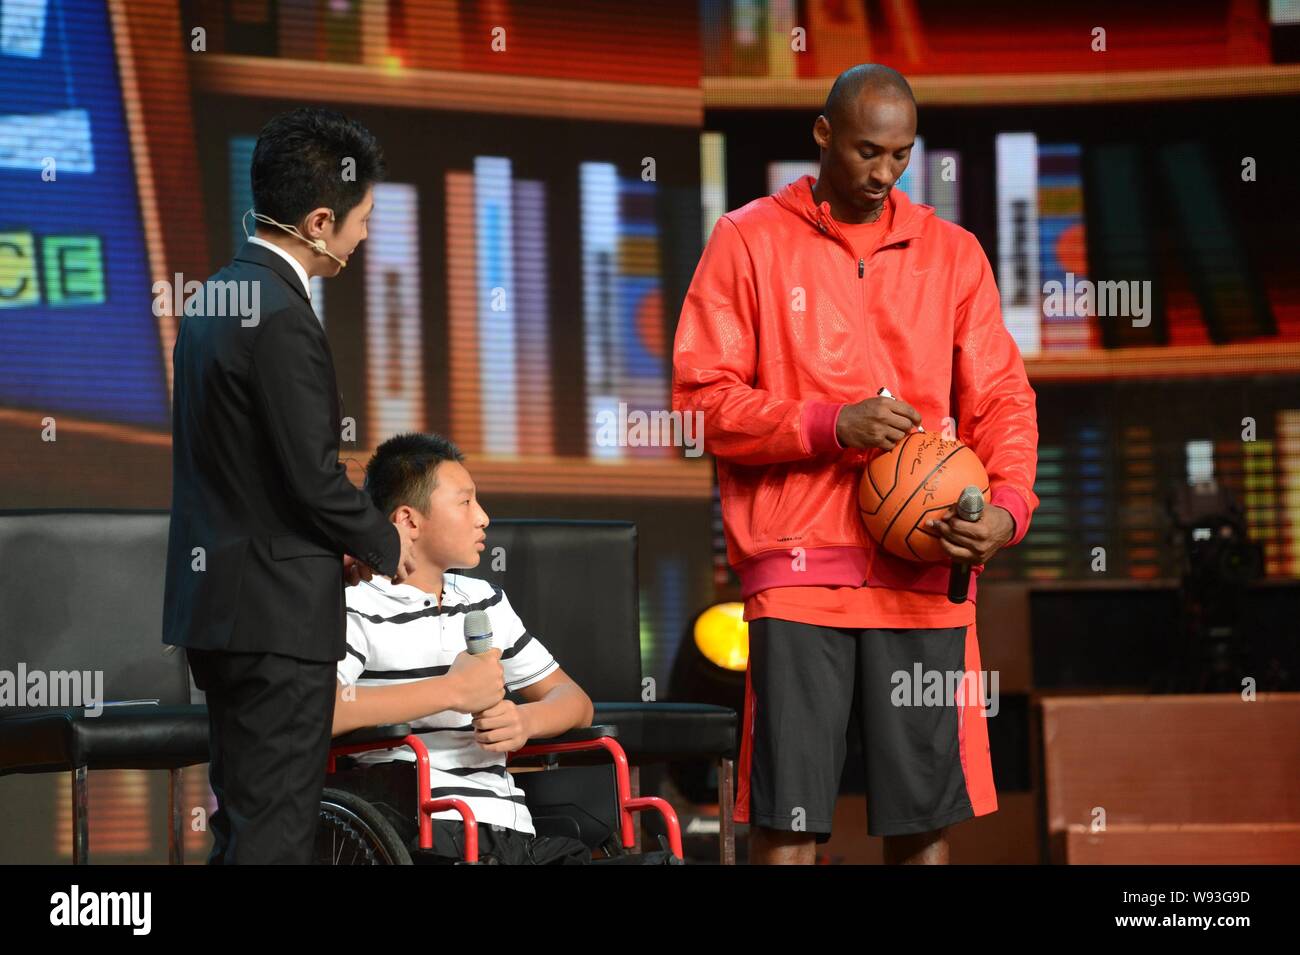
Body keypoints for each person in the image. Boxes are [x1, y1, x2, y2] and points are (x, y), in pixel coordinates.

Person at [672, 64, 1040, 864]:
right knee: (790, 826)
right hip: (800, 578)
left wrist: (1008, 509)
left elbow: (1004, 399)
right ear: (823, 133)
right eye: (868, 151)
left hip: (927, 571)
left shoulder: (953, 254)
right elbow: (700, 399)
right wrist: (827, 422)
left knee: (921, 829)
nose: (883, 174)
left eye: (901, 156)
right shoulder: (748, 239)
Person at [163, 107, 416, 864]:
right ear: (317, 219)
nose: (365, 235)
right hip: (276, 624)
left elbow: (247, 473)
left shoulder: (213, 298)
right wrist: (381, 540)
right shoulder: (282, 315)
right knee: (274, 836)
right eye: (362, 218)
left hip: (226, 612)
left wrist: (326, 546)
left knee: (245, 828)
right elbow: (311, 476)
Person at [332, 433, 596, 865]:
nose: (484, 518)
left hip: (509, 827)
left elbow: (575, 702)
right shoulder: (356, 602)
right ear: (409, 522)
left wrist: (526, 719)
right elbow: (318, 709)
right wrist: (450, 692)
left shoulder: (483, 600)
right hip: (416, 828)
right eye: (466, 502)